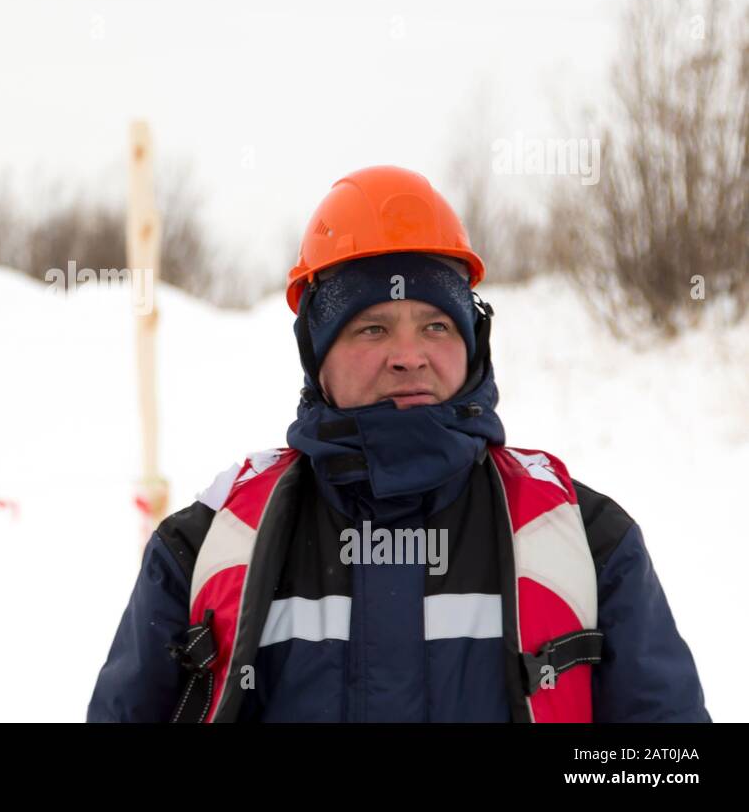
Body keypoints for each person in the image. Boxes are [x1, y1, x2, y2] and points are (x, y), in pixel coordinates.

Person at [88, 165, 710, 722]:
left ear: (473, 343)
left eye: (436, 325)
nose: (409, 357)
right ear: (317, 359)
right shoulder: (206, 546)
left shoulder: (587, 540)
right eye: (372, 328)